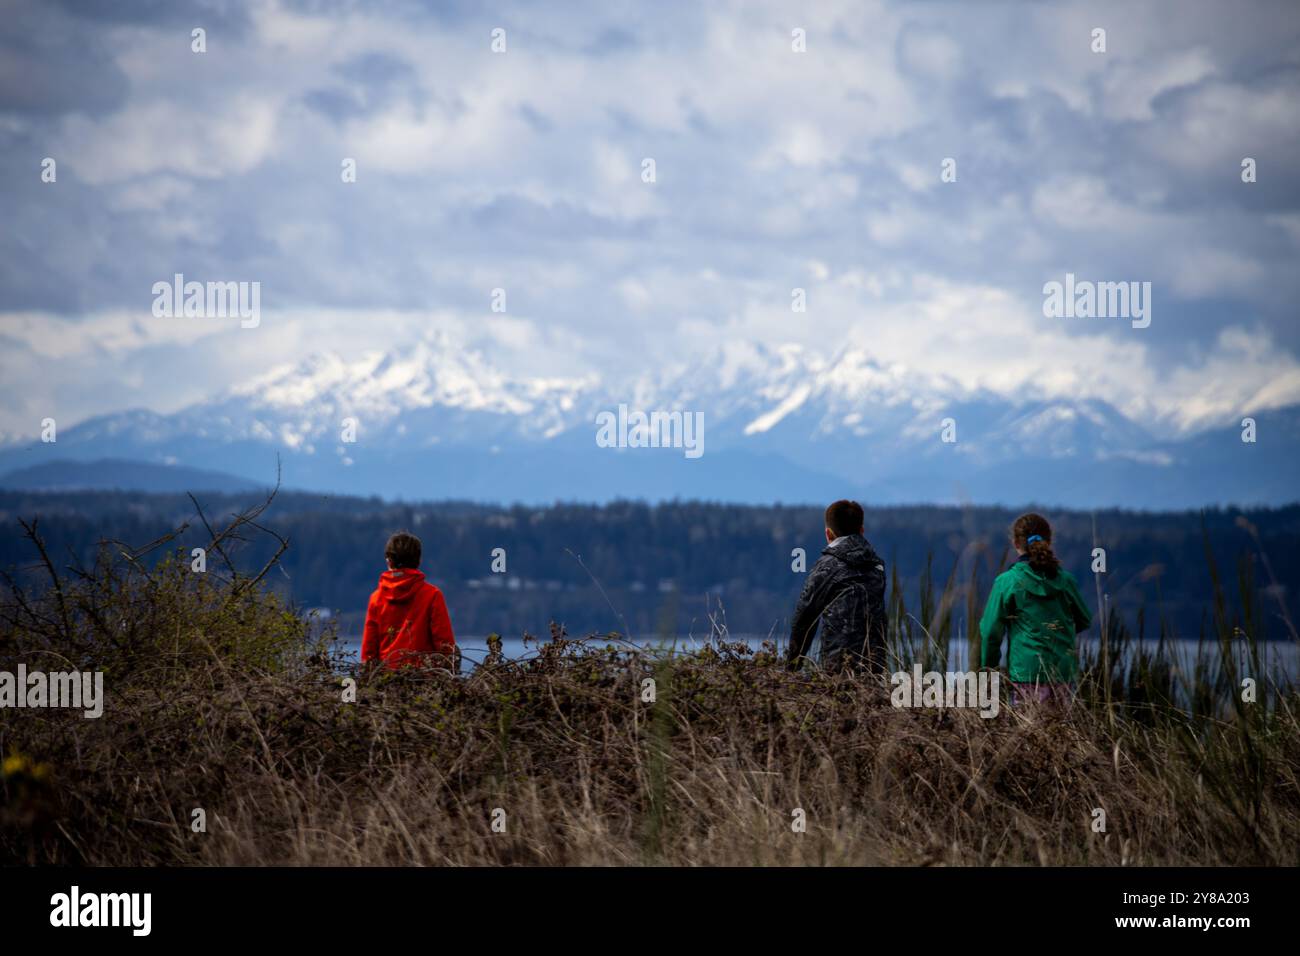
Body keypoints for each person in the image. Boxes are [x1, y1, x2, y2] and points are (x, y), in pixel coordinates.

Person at [979, 513, 1091, 707]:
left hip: (1026, 672)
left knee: (1028, 732)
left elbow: (990, 632)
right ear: (1049, 541)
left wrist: (989, 670)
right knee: (1062, 733)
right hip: (1063, 672)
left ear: (1015, 543)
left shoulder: (1007, 582)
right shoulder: (1065, 581)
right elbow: (1084, 620)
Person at [787, 499, 888, 674]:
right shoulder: (877, 566)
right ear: (862, 531)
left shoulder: (826, 566)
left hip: (838, 665)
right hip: (875, 665)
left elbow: (804, 619)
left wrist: (791, 667)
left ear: (828, 534)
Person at [361, 531, 458, 671]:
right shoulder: (432, 595)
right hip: (426, 679)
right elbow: (445, 645)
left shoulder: (376, 599)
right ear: (418, 560)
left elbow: (369, 652)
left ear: (388, 560)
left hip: (385, 681)